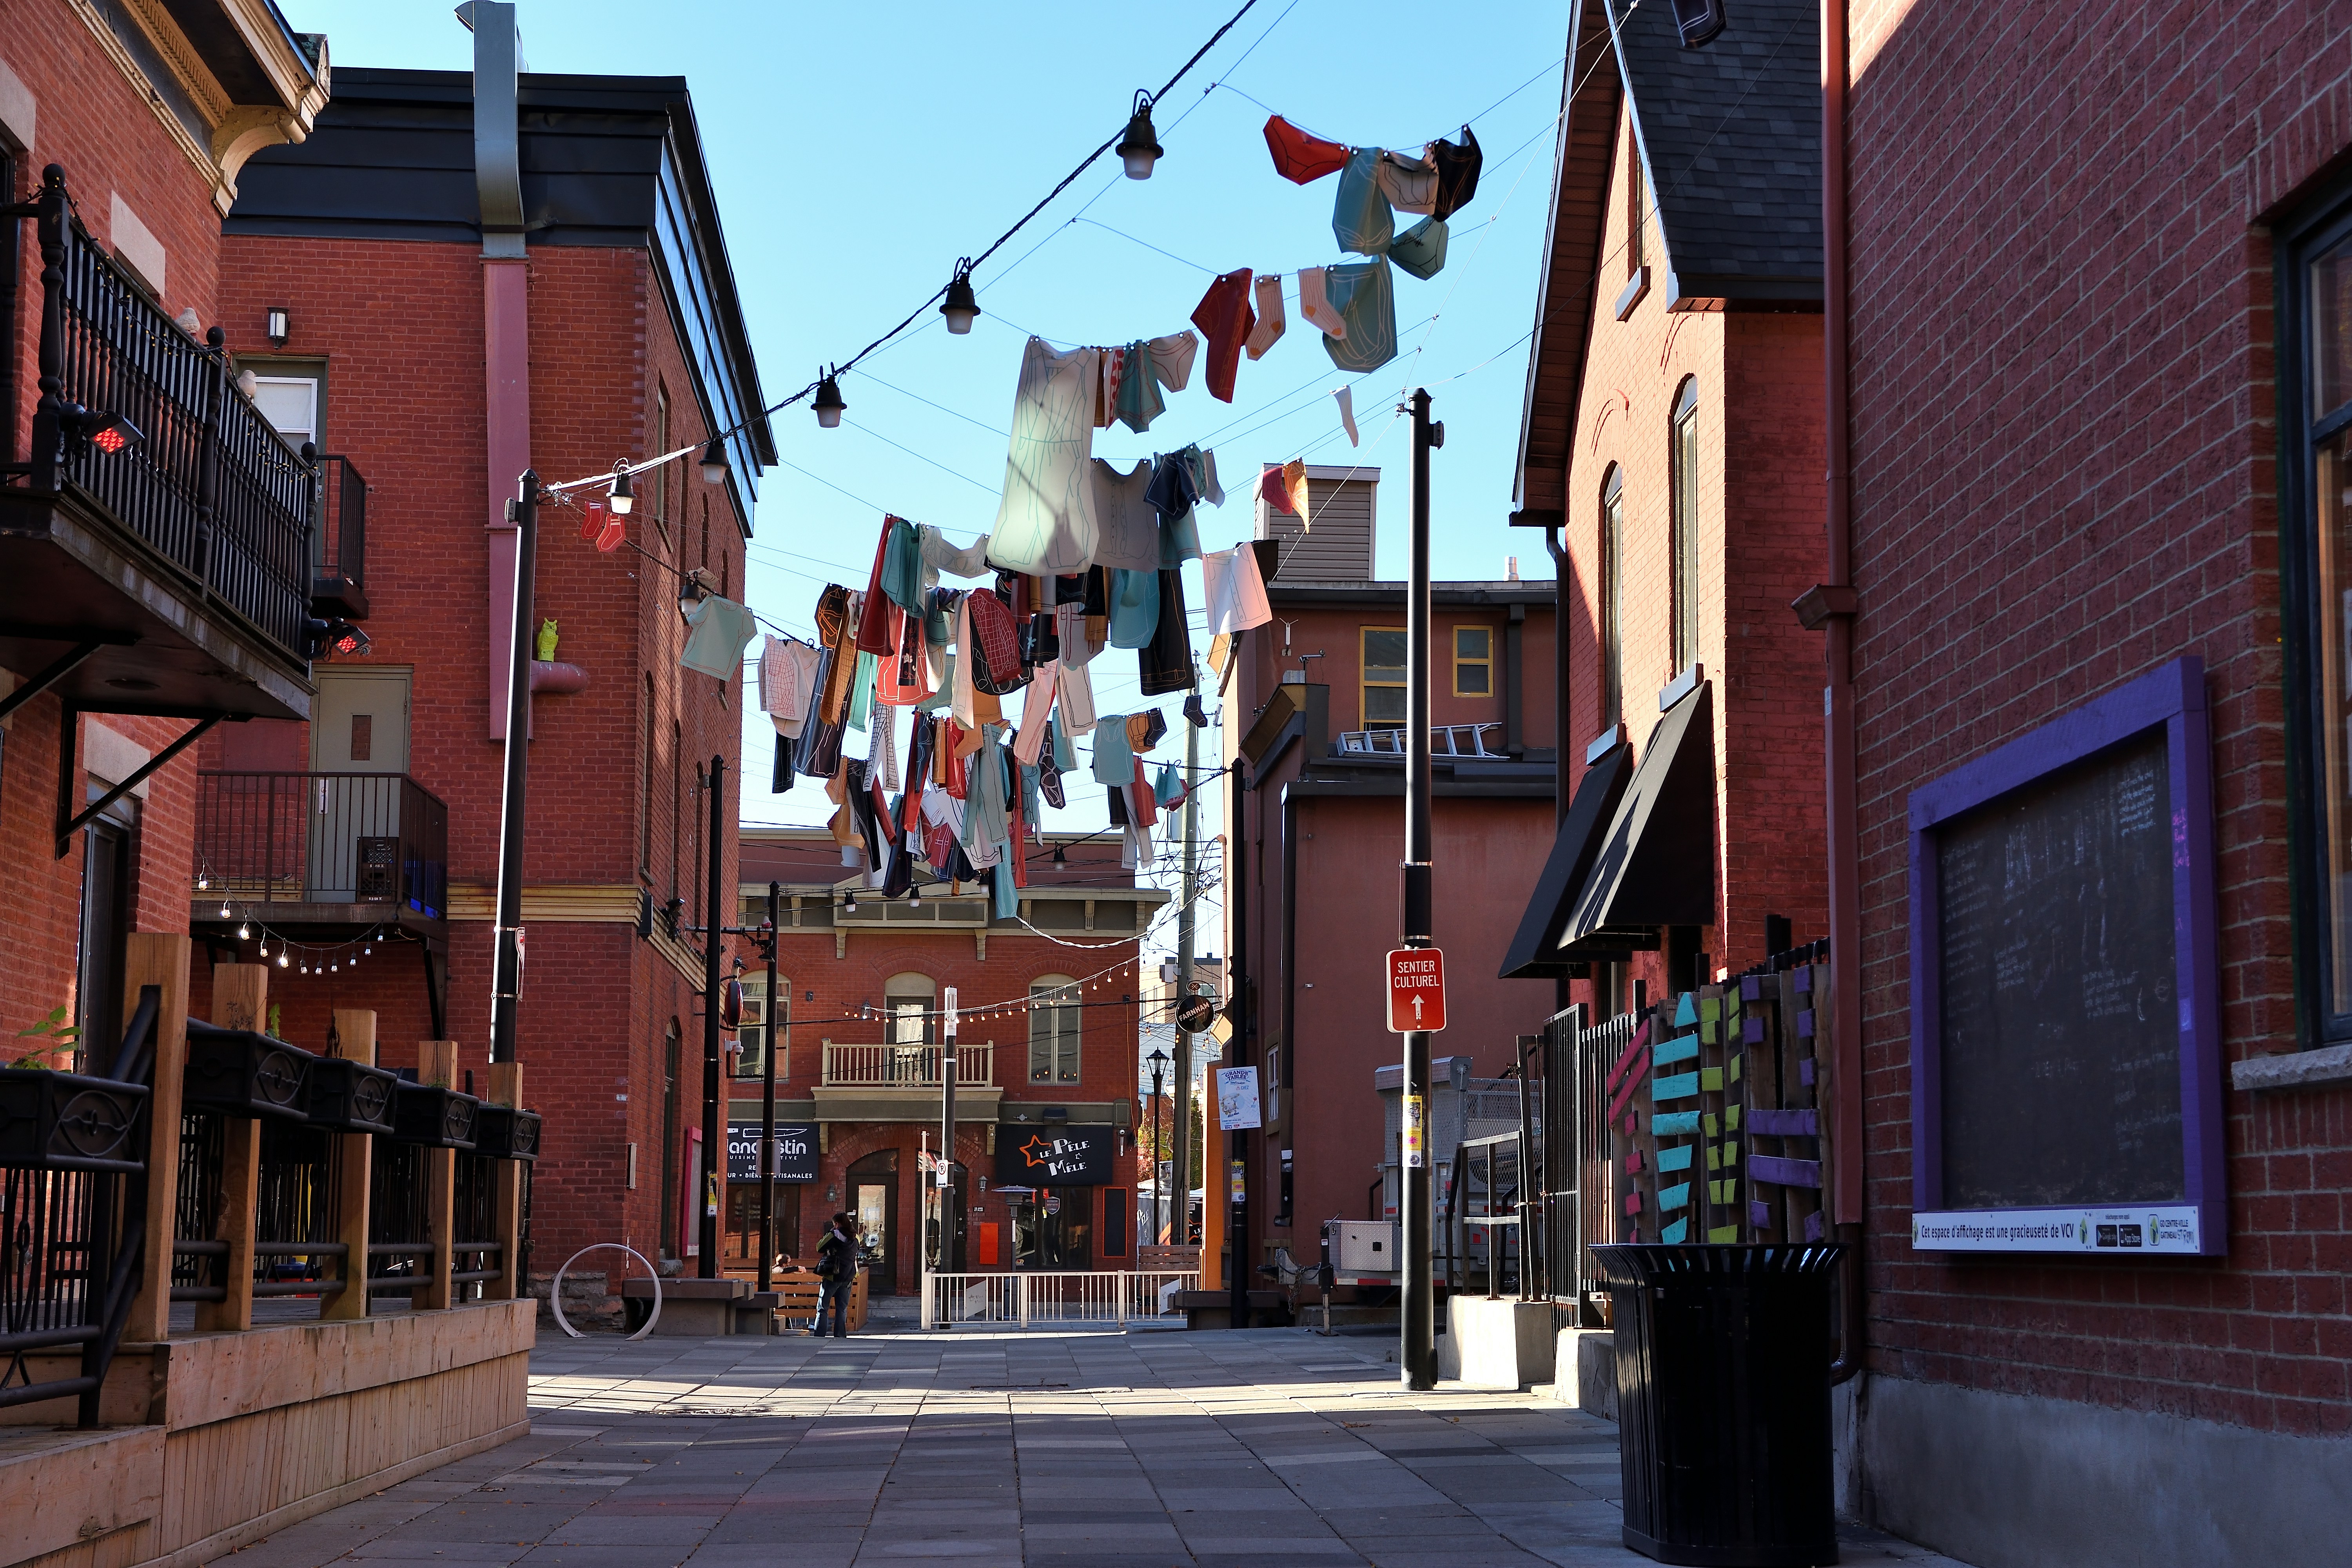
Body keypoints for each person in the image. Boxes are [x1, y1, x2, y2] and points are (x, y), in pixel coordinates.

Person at [813, 1211, 858, 1337]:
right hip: (848, 1277)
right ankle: (840, 1336)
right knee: (842, 1309)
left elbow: (819, 1247)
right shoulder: (856, 1237)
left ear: (837, 1224)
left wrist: (831, 1232)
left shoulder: (834, 1235)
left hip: (832, 1275)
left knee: (823, 1308)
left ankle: (820, 1336)